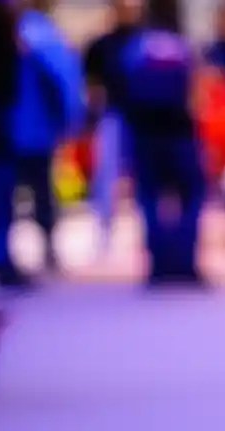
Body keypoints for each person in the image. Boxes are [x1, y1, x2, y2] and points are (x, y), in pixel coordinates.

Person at [114, 0, 205, 286]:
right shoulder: (182, 47)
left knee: (150, 199)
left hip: (146, 135)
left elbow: (122, 92)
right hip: (180, 133)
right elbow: (196, 92)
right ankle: (185, 263)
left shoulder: (136, 49)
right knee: (191, 197)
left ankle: (158, 265)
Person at [13, 0, 83, 273]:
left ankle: (5, 255)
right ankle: (47, 246)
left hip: (15, 126)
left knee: (13, 191)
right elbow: (64, 82)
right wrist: (69, 120)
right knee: (41, 190)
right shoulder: (43, 34)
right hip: (35, 129)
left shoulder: (26, 32)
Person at [82, 0, 140, 260]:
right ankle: (104, 234)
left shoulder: (146, 39)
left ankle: (145, 238)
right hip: (113, 115)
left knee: (143, 177)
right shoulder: (102, 45)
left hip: (143, 117)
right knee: (106, 177)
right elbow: (91, 85)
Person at [0, 0, 22, 286]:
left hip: (3, 114)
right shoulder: (8, 26)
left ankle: (1, 255)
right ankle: (1, 256)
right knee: (2, 188)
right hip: (2, 115)